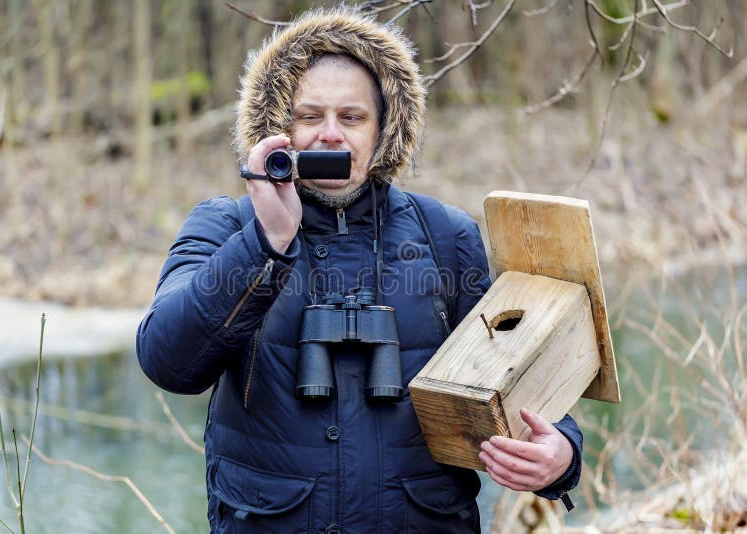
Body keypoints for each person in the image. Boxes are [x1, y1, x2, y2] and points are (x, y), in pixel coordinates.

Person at [137, 8, 582, 533]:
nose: (330, 136)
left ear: (383, 131)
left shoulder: (446, 237)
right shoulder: (225, 226)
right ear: (278, 130)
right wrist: (266, 244)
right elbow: (167, 361)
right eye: (309, 117)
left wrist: (562, 454)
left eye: (352, 117)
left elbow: (516, 372)